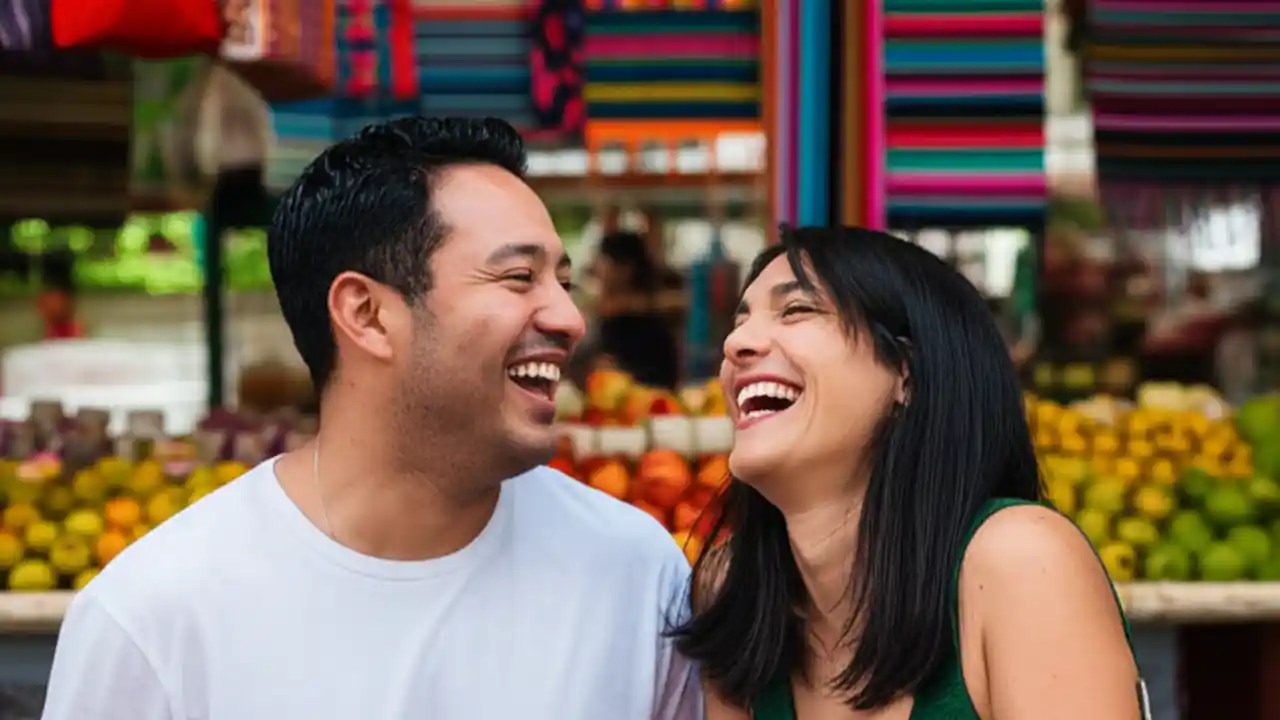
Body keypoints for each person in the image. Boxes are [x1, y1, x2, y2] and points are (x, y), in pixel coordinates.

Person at [41, 117, 701, 720]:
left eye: (565, 282)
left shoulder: (637, 576)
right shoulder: (155, 616)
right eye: (518, 277)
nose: (569, 318)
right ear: (365, 314)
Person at [672, 226, 1146, 719]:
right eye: (739, 320)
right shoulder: (730, 589)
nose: (736, 344)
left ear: (907, 374)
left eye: (796, 310)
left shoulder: (1019, 559)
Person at [587, 229, 683, 389]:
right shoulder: (605, 306)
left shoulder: (648, 314)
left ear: (625, 268)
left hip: (645, 395)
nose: (597, 269)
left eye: (603, 262)